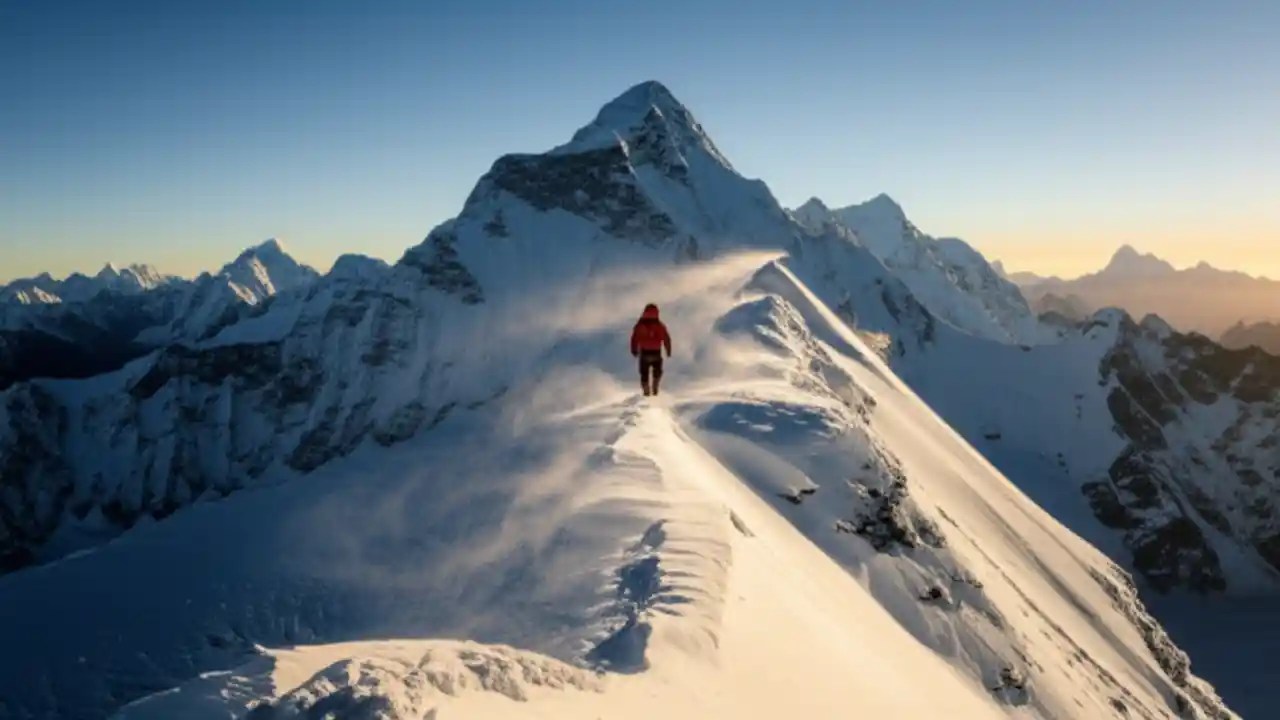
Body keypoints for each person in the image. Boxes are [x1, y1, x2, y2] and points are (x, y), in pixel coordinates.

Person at [630, 303, 672, 396]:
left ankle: (646, 389)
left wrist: (634, 350)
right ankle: (655, 384)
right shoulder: (660, 325)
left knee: (644, 373)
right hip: (656, 352)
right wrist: (668, 350)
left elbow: (634, 338)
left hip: (644, 353)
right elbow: (666, 339)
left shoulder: (640, 325)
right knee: (657, 370)